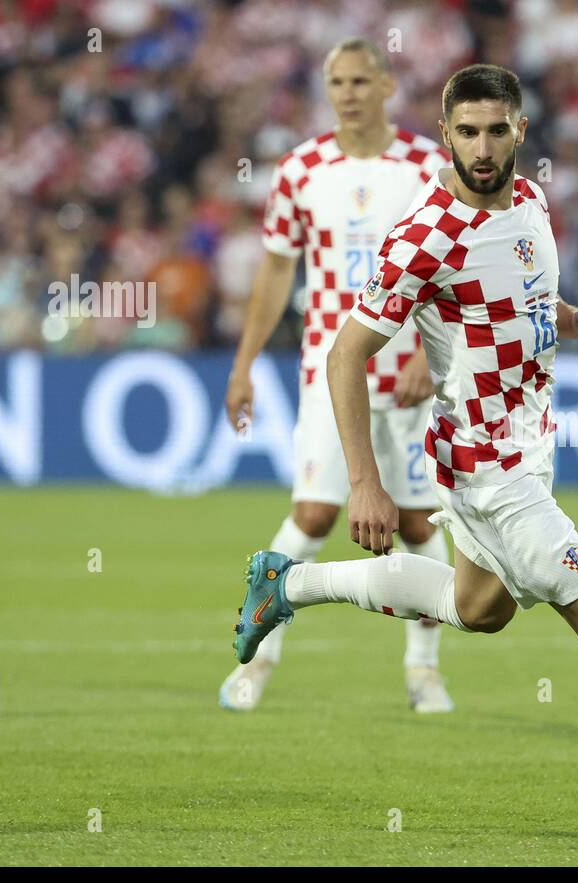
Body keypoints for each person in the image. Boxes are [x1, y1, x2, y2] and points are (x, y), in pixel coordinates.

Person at [231, 64, 578, 827]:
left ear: (520, 131)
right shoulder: (424, 235)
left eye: (496, 130)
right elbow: (343, 354)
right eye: (466, 132)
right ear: (445, 135)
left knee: (478, 608)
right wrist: (365, 480)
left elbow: (517, 293)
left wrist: (574, 319)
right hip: (486, 468)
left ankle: (287, 586)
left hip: (529, 453)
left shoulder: (530, 200)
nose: (482, 148)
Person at [219, 39, 455, 714]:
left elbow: (449, 266)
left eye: (360, 80)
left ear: (386, 86)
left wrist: (424, 355)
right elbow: (274, 272)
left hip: (409, 367)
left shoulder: (427, 164)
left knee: (415, 521)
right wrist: (243, 365)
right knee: (316, 511)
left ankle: (423, 670)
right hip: (332, 363)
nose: (347, 92)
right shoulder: (301, 168)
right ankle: (257, 662)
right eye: (336, 82)